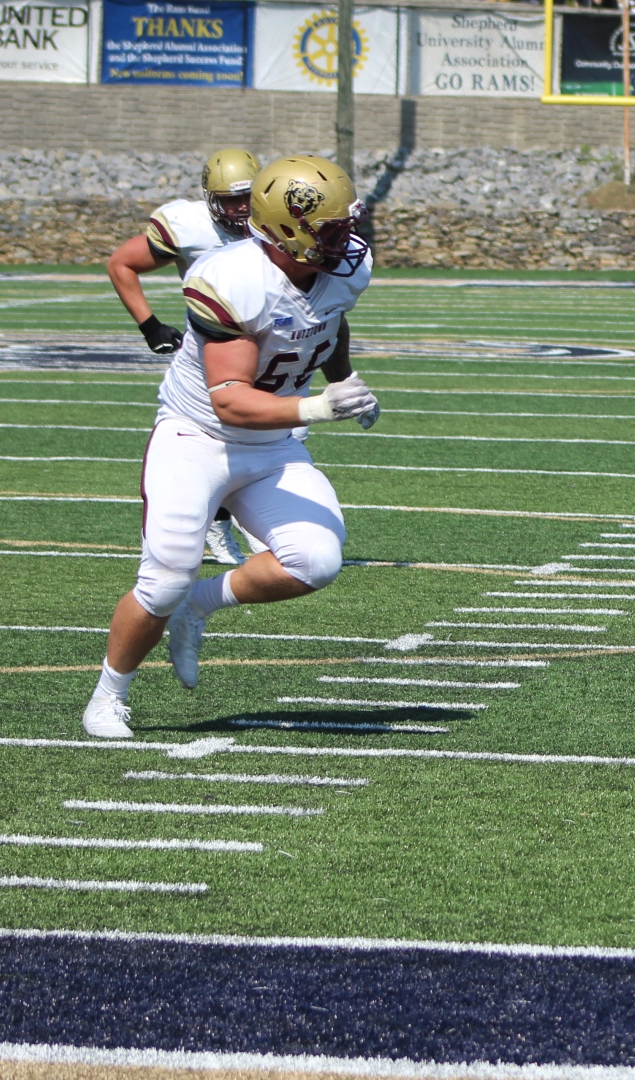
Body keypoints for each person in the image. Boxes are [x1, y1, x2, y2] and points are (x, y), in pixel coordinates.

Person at [81, 156, 384, 740]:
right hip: (197, 437)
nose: (346, 238)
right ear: (288, 231)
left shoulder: (347, 267)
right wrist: (320, 407)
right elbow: (231, 401)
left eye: (347, 223)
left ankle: (200, 605)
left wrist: (341, 379)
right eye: (329, 228)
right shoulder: (229, 278)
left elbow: (328, 318)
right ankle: (109, 695)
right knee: (164, 578)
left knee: (316, 561)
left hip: (274, 442)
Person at [107, 148, 265, 567]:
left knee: (282, 433)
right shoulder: (189, 226)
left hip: (272, 344)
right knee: (217, 433)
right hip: (214, 346)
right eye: (230, 199)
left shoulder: (279, 221)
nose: (241, 207)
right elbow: (122, 263)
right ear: (210, 198)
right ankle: (216, 517)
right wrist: (150, 327)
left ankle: (254, 517)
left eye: (248, 196)